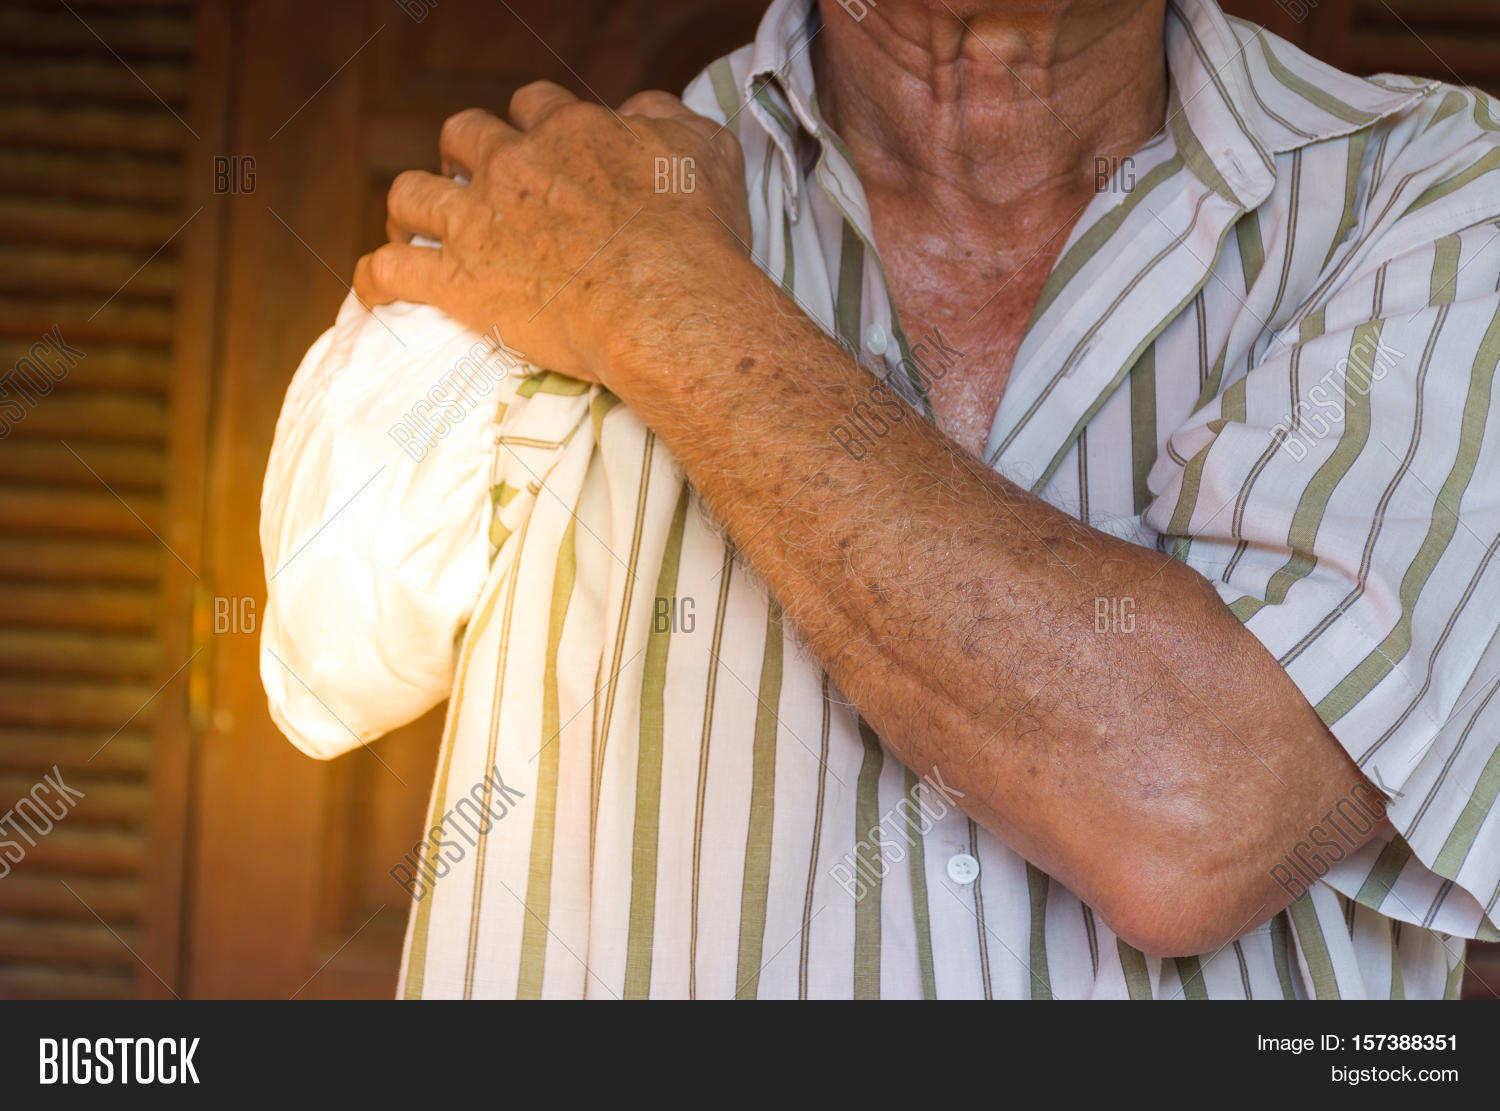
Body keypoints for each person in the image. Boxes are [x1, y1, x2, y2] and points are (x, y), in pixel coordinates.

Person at [261, 0, 1500, 997]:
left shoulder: (1434, 196)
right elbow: (320, 665)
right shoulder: (558, 206)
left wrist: (660, 299)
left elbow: (1198, 811)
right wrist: (616, 256)